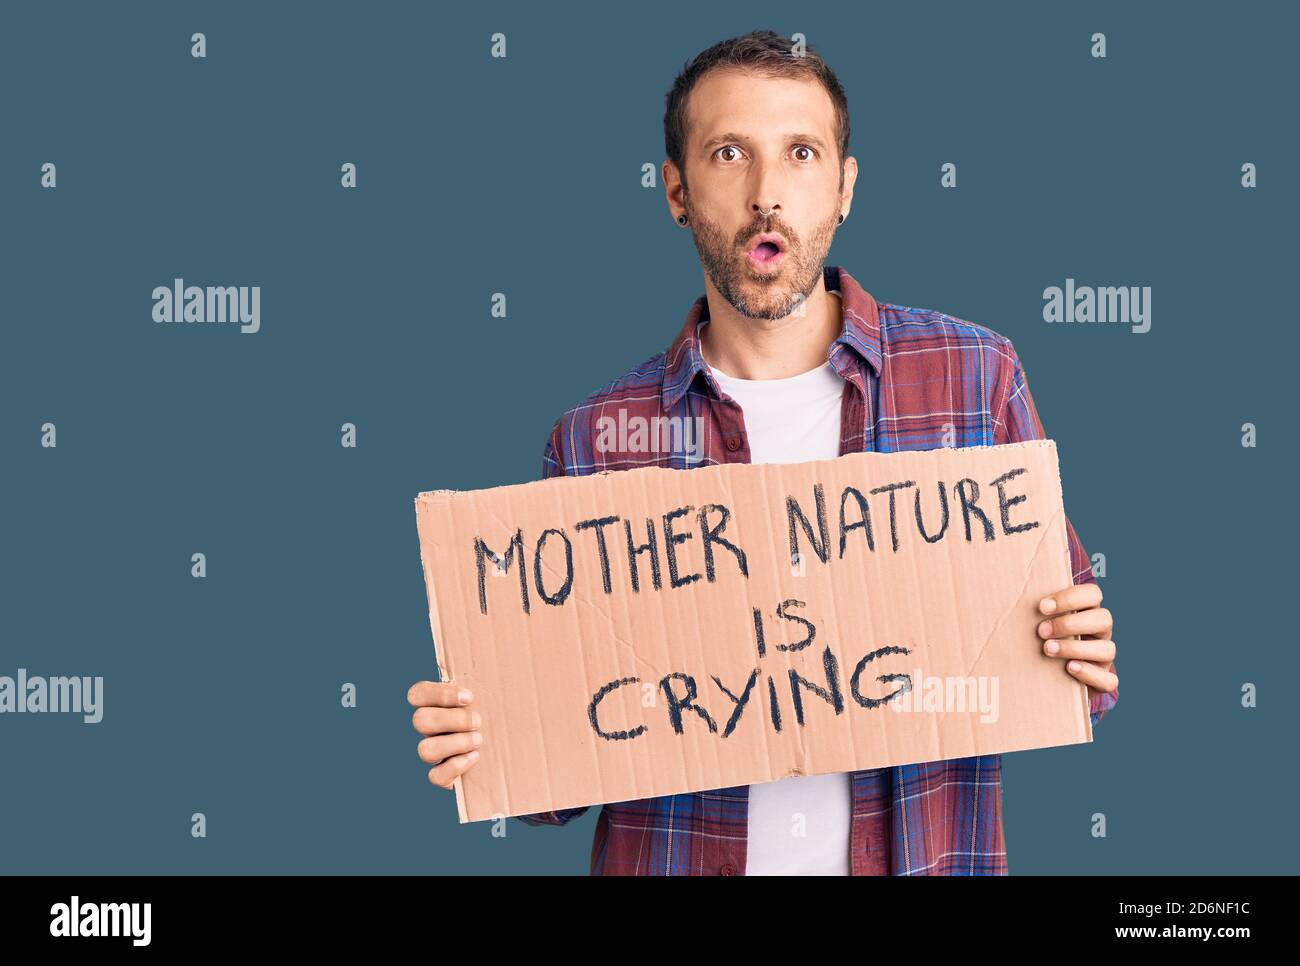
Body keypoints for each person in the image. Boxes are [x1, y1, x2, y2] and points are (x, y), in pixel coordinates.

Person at [408, 29, 1119, 875]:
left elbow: (1073, 680)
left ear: (845, 186)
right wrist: (485, 734)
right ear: (676, 189)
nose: (765, 194)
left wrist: (1083, 653)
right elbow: (559, 778)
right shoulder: (597, 438)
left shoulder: (972, 377)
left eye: (802, 153)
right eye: (728, 152)